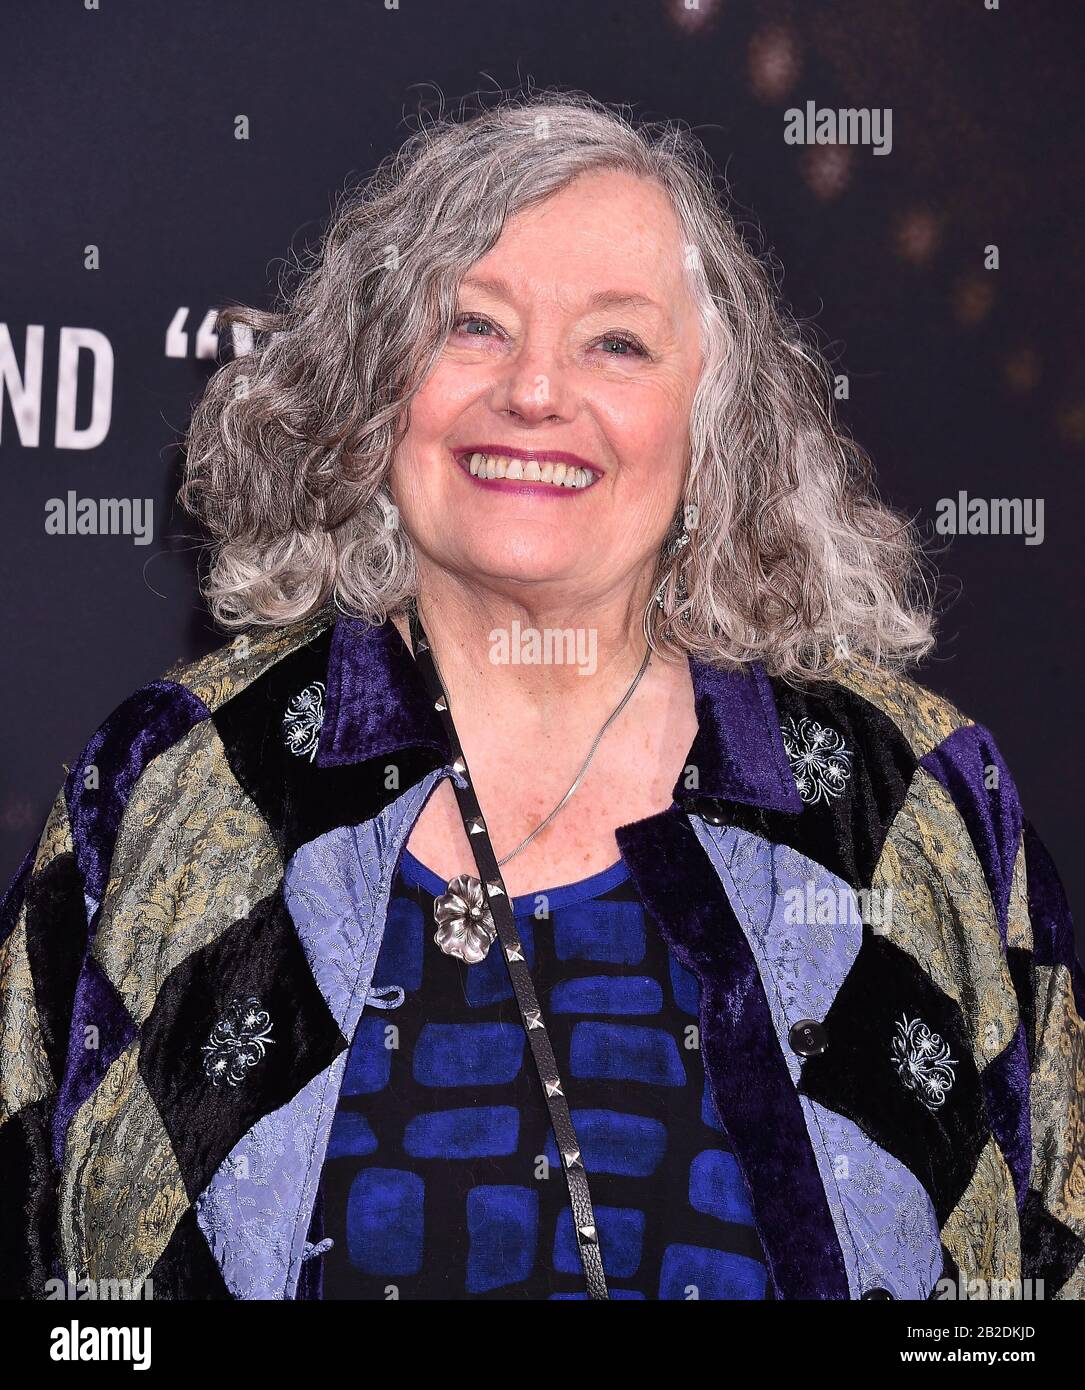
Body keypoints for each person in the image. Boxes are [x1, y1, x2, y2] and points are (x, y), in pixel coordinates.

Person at [2, 89, 1082, 1302]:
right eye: (471, 326)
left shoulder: (905, 806)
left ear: (712, 429)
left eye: (615, 342)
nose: (532, 392)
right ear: (371, 393)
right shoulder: (179, 780)